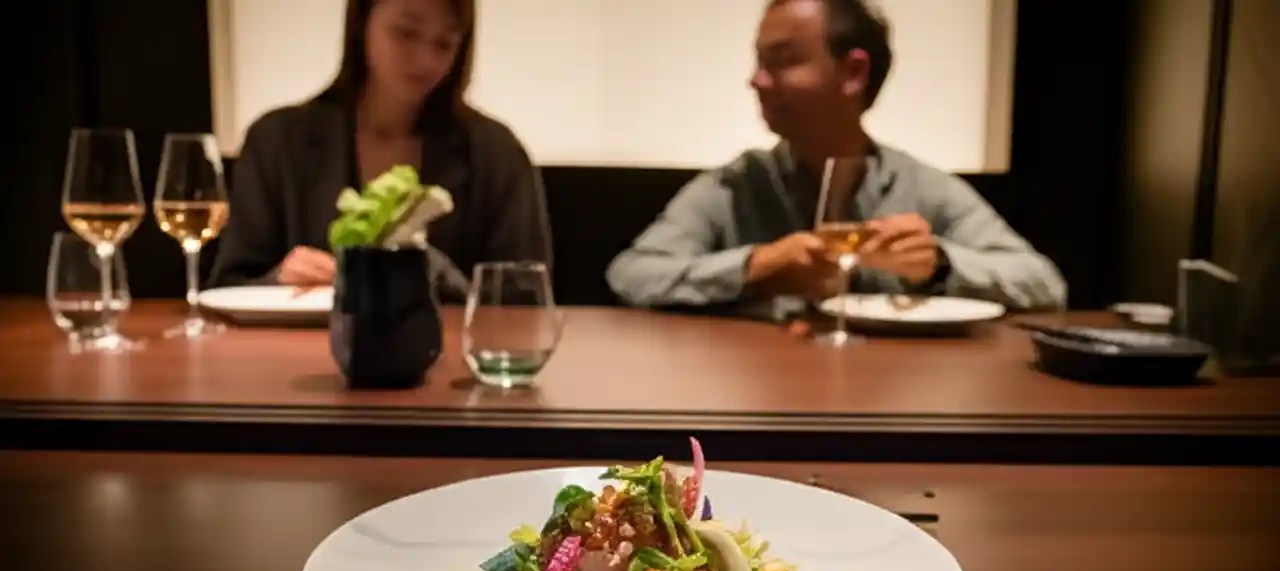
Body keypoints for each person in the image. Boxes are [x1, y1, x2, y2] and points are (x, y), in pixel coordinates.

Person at [606, 0, 1067, 321]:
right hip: (756, 401)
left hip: (893, 407)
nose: (756, 80)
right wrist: (753, 269)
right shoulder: (738, 184)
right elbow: (632, 274)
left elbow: (1044, 285)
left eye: (781, 61)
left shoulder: (921, 186)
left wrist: (940, 265)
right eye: (758, 61)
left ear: (854, 72)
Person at [209, 0, 551, 301]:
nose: (424, 58)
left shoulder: (495, 152)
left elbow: (527, 299)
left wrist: (435, 272)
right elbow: (228, 286)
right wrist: (277, 280)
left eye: (444, 43)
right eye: (406, 33)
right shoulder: (278, 141)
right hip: (294, 366)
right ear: (362, 23)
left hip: (450, 366)